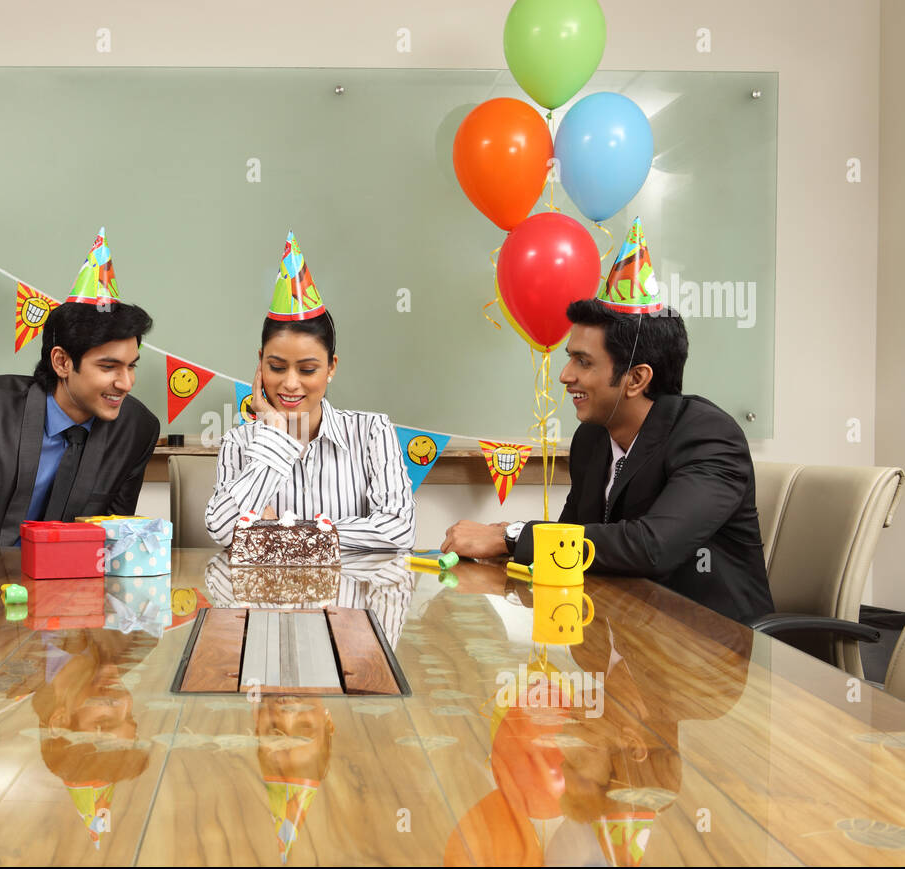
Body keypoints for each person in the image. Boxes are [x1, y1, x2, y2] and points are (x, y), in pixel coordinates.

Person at [441, 219, 774, 625]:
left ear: (637, 379)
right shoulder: (592, 439)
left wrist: (509, 536)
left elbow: (654, 546)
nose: (565, 375)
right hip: (624, 637)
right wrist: (507, 548)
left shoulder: (708, 436)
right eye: (569, 358)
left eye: (583, 361)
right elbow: (569, 541)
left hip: (711, 653)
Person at [0, 229, 160, 559]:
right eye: (109, 367)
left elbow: (115, 536)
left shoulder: (136, 428)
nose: (126, 383)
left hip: (67, 593)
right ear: (62, 362)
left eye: (131, 366)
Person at [204, 231, 416, 550]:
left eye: (307, 369)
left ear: (331, 367)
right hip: (269, 598)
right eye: (276, 367)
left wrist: (286, 533)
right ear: (260, 363)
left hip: (349, 597)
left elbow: (399, 529)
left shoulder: (372, 432)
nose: (290, 383)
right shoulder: (239, 442)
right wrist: (275, 434)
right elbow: (223, 532)